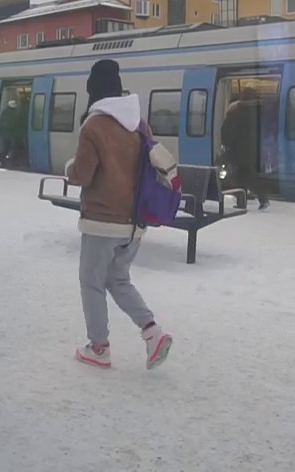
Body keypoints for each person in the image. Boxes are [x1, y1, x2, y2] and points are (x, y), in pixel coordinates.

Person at [66, 59, 173, 371]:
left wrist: (70, 169)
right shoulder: (139, 124)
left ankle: (98, 348)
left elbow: (83, 174)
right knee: (118, 279)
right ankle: (152, 332)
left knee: (92, 282)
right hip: (134, 223)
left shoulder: (94, 124)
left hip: (102, 219)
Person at [220, 88, 271, 210]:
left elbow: (227, 132)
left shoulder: (236, 112)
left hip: (239, 151)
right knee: (251, 175)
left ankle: (243, 201)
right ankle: (261, 198)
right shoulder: (261, 111)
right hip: (256, 150)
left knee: (240, 177)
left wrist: (227, 146)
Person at [0, 98, 24, 167]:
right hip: (9, 134)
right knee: (9, 148)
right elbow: (11, 124)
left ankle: (4, 160)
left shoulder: (5, 112)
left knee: (7, 148)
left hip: (6, 134)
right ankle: (5, 160)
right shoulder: (10, 113)